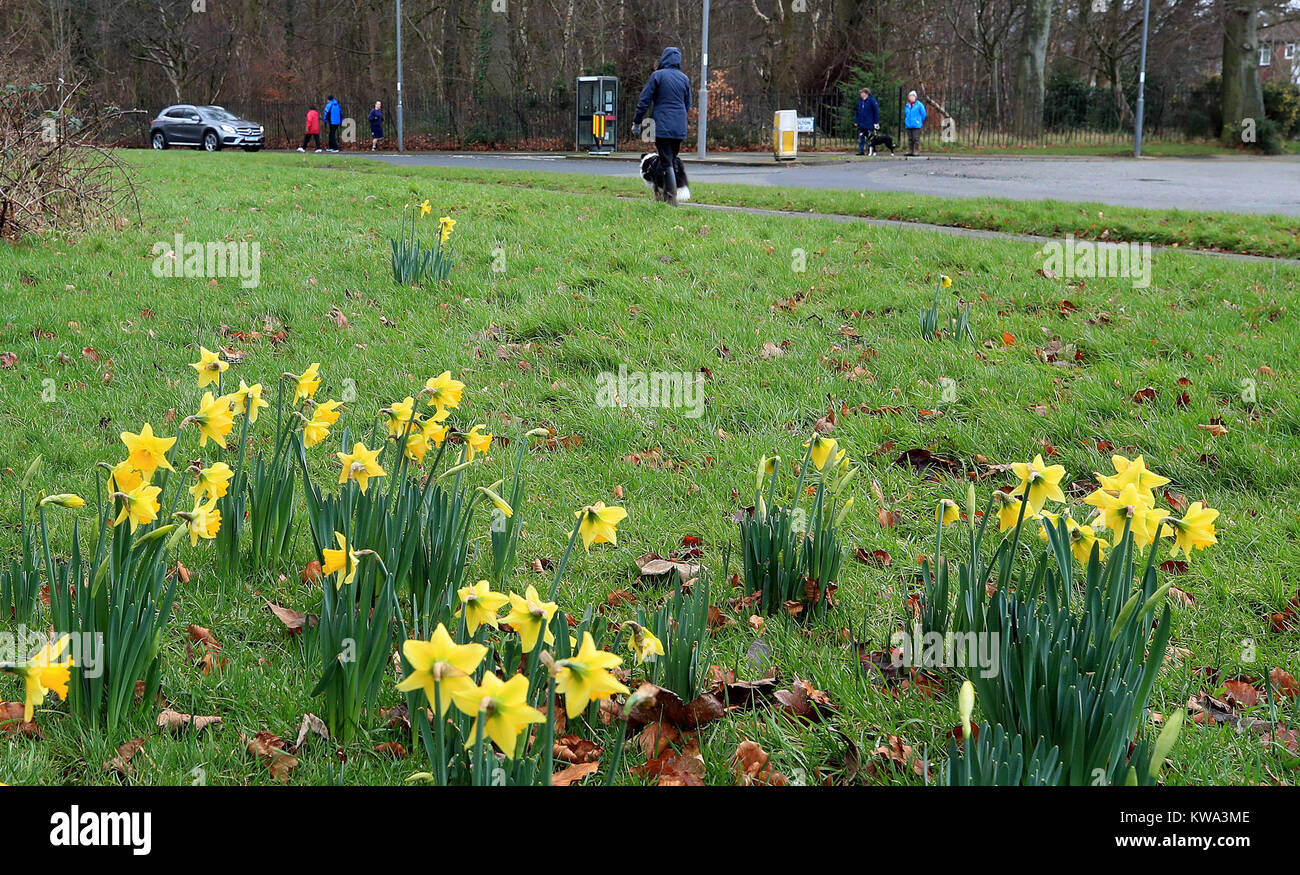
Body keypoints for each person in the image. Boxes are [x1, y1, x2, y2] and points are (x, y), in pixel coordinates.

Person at [631, 46, 691, 205]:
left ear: (663, 58)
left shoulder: (657, 76)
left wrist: (637, 122)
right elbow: (687, 105)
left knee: (666, 161)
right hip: (679, 126)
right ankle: (668, 196)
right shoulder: (684, 78)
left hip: (662, 125)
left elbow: (644, 101)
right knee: (671, 159)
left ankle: (671, 200)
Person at [855, 88, 879, 156]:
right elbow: (857, 111)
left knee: (870, 138)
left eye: (862, 93)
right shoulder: (860, 101)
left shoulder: (872, 100)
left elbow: (876, 111)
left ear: (865, 93)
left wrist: (876, 122)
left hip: (869, 123)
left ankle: (870, 151)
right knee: (861, 138)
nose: (860, 94)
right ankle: (861, 150)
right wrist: (856, 121)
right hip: (861, 123)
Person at [904, 90, 926, 156]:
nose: (911, 97)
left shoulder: (919, 105)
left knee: (916, 139)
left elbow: (923, 114)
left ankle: (916, 151)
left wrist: (919, 121)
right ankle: (910, 151)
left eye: (912, 96)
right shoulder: (907, 105)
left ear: (915, 97)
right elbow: (906, 114)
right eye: (910, 96)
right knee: (910, 139)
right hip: (909, 124)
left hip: (916, 125)